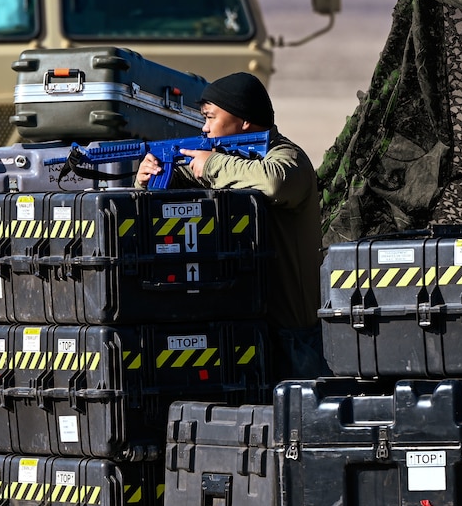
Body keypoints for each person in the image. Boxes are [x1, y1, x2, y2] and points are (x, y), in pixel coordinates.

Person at [135, 72, 328, 381]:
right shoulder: (229, 161)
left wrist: (210, 164)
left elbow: (275, 183)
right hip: (241, 324)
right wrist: (148, 177)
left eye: (211, 117)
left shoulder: (288, 158)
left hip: (291, 335)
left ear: (245, 121)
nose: (204, 127)